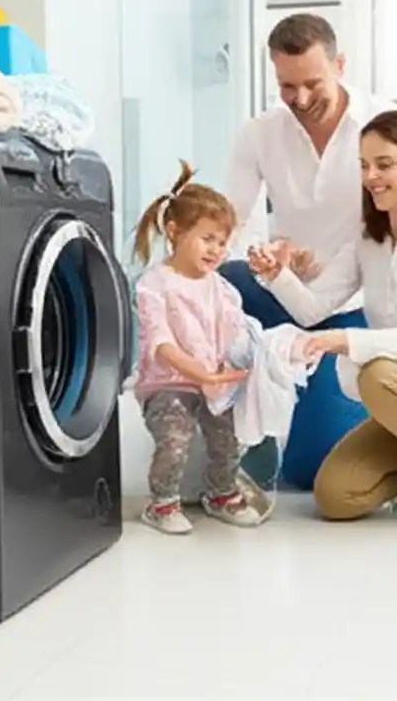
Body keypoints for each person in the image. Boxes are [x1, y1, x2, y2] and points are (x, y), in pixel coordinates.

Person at [219, 12, 392, 487]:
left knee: (308, 470)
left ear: (340, 65)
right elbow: (229, 225)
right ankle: (215, 438)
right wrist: (273, 251)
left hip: (355, 309)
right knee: (217, 281)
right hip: (294, 295)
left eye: (312, 82)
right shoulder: (259, 134)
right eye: (286, 85)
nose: (301, 99)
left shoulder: (382, 127)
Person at [249, 110, 397, 521]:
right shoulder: (369, 241)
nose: (371, 176)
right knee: (336, 495)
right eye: (364, 165)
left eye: (385, 164)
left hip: (390, 380)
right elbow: (312, 309)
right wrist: (276, 274)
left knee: (378, 375)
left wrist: (346, 341)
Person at [130, 160, 263, 534]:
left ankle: (221, 493)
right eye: (208, 239)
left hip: (211, 381)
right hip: (167, 384)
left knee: (228, 436)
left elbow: (236, 333)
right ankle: (161, 503)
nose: (217, 250)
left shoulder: (221, 288)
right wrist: (200, 373)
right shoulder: (155, 283)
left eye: (223, 242)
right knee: (174, 437)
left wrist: (246, 364)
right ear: (174, 232)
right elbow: (160, 343)